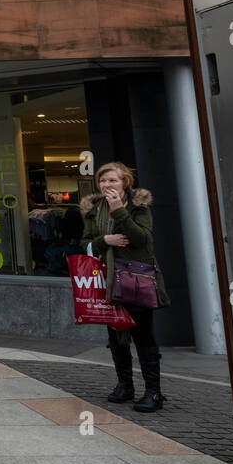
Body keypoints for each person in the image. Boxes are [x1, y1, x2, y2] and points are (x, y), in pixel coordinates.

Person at [81, 162, 170, 413]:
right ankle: (125, 385)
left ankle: (153, 391)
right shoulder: (92, 210)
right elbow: (85, 243)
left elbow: (142, 239)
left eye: (113, 181)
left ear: (125, 183)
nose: (107, 185)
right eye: (103, 181)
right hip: (106, 281)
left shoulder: (139, 207)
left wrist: (119, 210)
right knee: (115, 337)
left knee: (143, 335)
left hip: (135, 279)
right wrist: (104, 240)